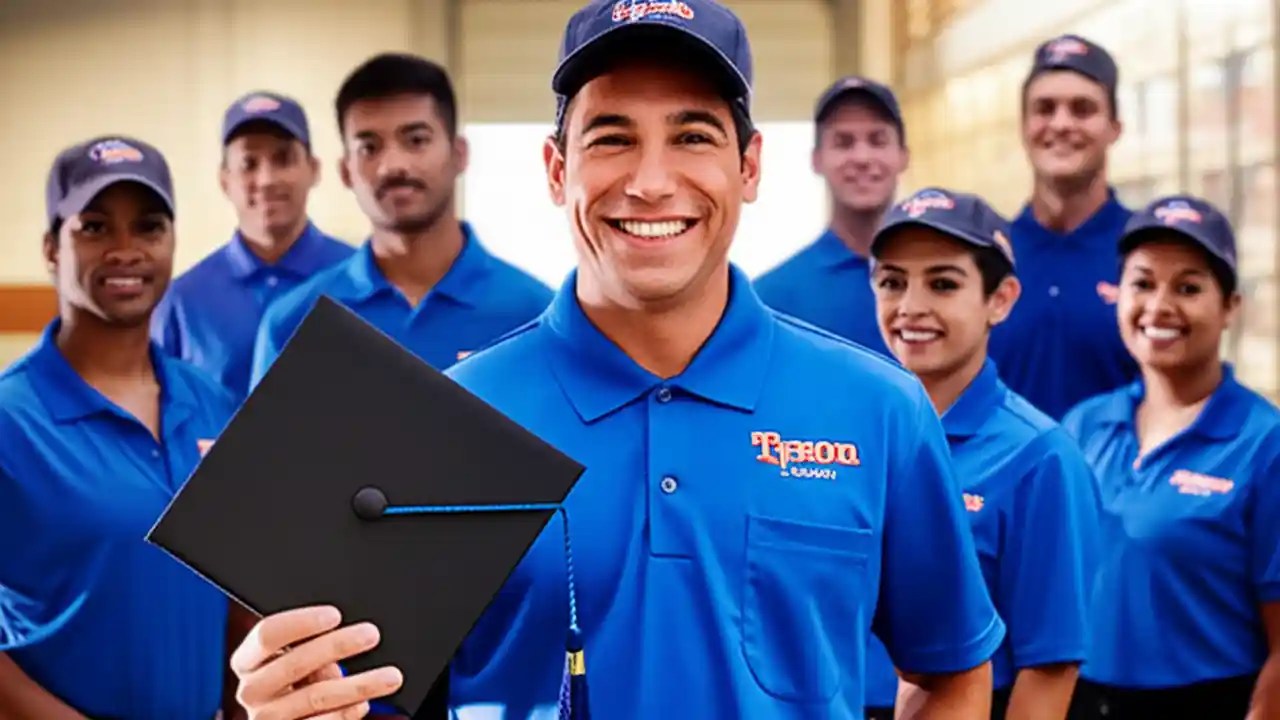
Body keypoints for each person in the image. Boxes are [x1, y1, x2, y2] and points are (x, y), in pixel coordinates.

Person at [227, 2, 1007, 719]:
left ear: (750, 167)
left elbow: (950, 671)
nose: (651, 181)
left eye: (693, 135)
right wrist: (298, 700)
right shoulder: (455, 416)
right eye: (612, 138)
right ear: (557, 169)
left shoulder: (876, 409)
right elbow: (381, 697)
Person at [0, 136, 243, 719]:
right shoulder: (11, 419)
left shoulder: (213, 405)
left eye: (149, 227)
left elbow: (239, 591)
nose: (126, 249)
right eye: (95, 227)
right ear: (51, 248)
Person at [865, 187, 1101, 720]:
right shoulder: (849, 434)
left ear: (1001, 299)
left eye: (943, 284)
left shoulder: (1041, 459)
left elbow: (1051, 667)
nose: (911, 307)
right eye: (892, 282)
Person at [1062, 195, 1280, 719]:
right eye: (1142, 284)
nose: (1159, 307)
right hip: (1082, 699)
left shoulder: (1263, 443)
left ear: (1230, 306)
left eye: (1187, 287)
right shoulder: (1082, 426)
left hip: (1210, 702)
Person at [249, 55, 552, 383]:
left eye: (416, 140)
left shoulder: (536, 316)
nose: (393, 165)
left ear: (459, 154)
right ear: (345, 171)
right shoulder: (292, 323)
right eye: (369, 147)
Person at [151, 91, 353, 401]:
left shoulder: (360, 279)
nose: (267, 179)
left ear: (314, 169)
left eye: (283, 159)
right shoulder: (181, 303)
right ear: (224, 180)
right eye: (248, 163)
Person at [988, 34, 1139, 420]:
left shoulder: (1146, 257)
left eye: (1082, 109)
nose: (1061, 123)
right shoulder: (984, 256)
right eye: (1044, 108)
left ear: (1114, 127)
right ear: (1024, 126)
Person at [753, 76, 909, 358]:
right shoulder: (771, 301)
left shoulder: (947, 288)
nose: (862, 157)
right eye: (843, 142)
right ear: (817, 159)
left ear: (903, 156)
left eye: (877, 140)